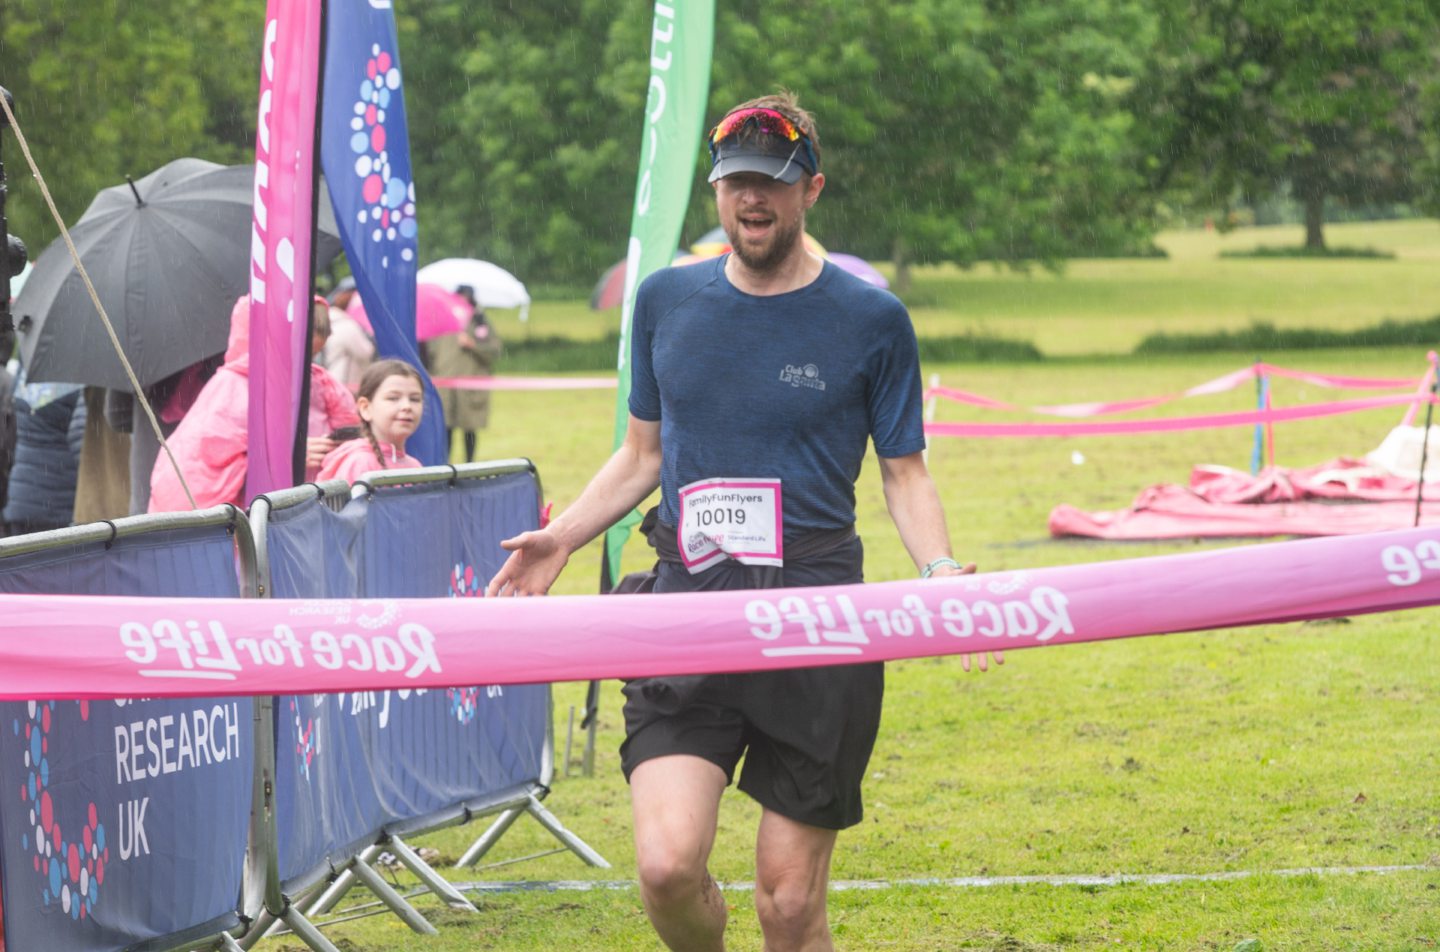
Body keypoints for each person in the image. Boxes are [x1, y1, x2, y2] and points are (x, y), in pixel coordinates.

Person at [486, 91, 995, 952]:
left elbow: (904, 474)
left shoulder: (872, 320)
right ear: (716, 192)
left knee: (789, 908)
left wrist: (940, 571)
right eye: (734, 183)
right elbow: (642, 456)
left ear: (811, 190)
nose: (750, 199)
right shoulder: (666, 302)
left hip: (818, 616)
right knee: (666, 870)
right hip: (690, 608)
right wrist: (563, 535)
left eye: (771, 182)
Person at [148, 295, 359, 512]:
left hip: (299, 513)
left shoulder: (321, 383)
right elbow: (203, 467)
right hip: (253, 519)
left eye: (313, 354)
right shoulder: (231, 388)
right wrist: (287, 456)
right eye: (298, 352)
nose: (304, 364)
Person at [2, 363, 85, 536]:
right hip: (58, 504)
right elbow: (80, 437)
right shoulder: (77, 376)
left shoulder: (29, 365)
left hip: (21, 498)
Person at [316, 358, 424, 483]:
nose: (407, 406)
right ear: (365, 408)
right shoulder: (359, 463)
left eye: (415, 399)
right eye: (393, 398)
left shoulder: (415, 466)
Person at [427, 287, 502, 462]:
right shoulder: (441, 321)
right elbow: (430, 352)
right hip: (445, 384)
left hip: (471, 384)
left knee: (469, 427)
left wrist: (473, 345)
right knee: (446, 427)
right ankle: (445, 464)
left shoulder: (480, 322)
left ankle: (470, 464)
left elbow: (494, 350)